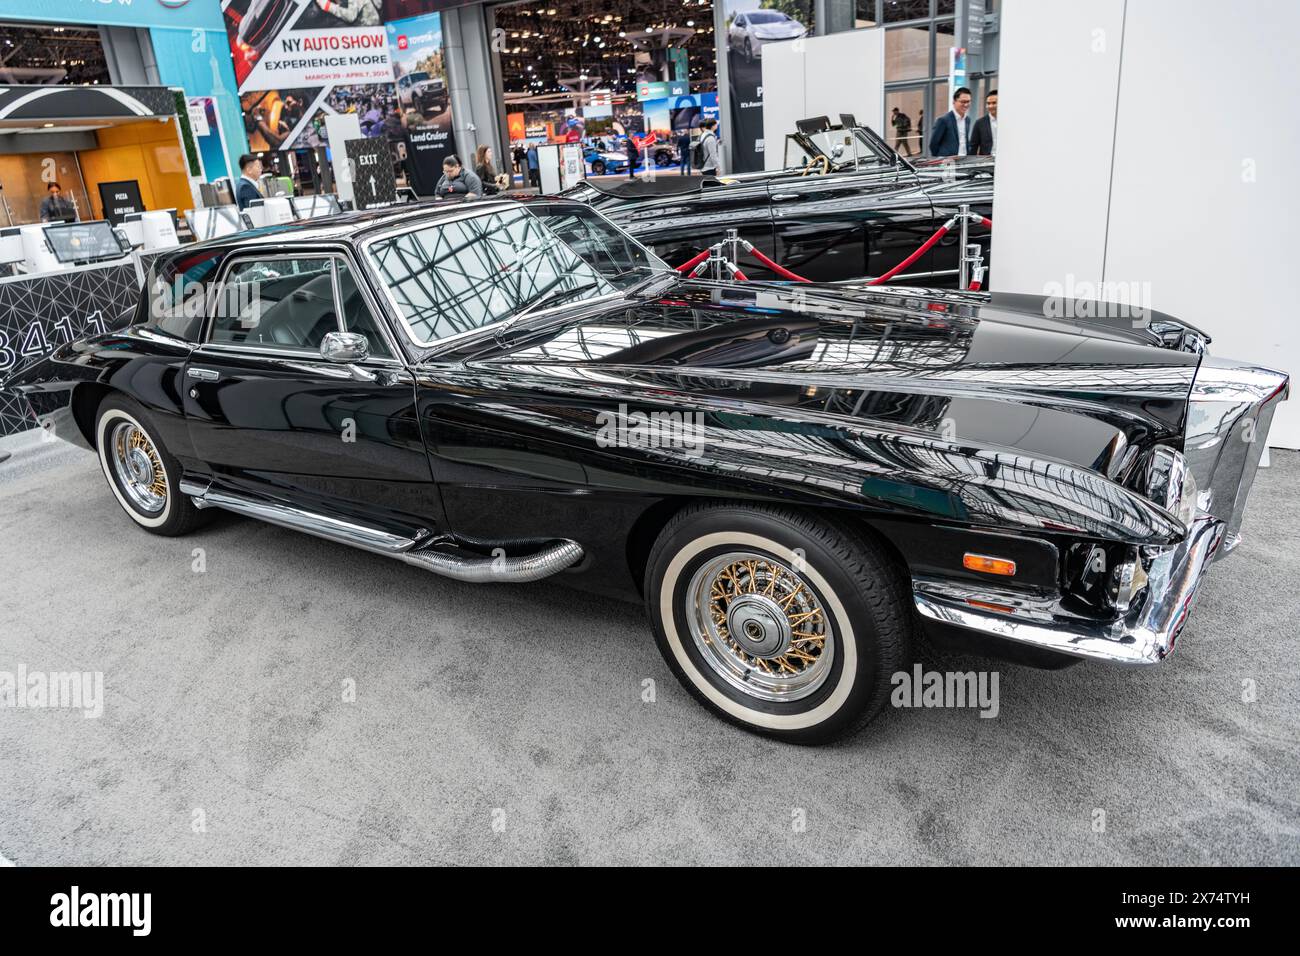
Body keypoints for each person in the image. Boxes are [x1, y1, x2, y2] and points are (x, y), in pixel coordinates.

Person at [929, 87, 973, 158]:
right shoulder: (943, 120)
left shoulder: (967, 120)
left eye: (968, 101)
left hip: (964, 160)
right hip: (948, 162)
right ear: (954, 102)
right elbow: (933, 144)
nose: (966, 105)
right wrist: (941, 158)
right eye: (963, 102)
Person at [970, 89, 997, 157]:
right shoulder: (979, 123)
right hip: (986, 163)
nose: (990, 106)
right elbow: (973, 147)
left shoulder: (1009, 122)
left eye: (994, 103)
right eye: (988, 103)